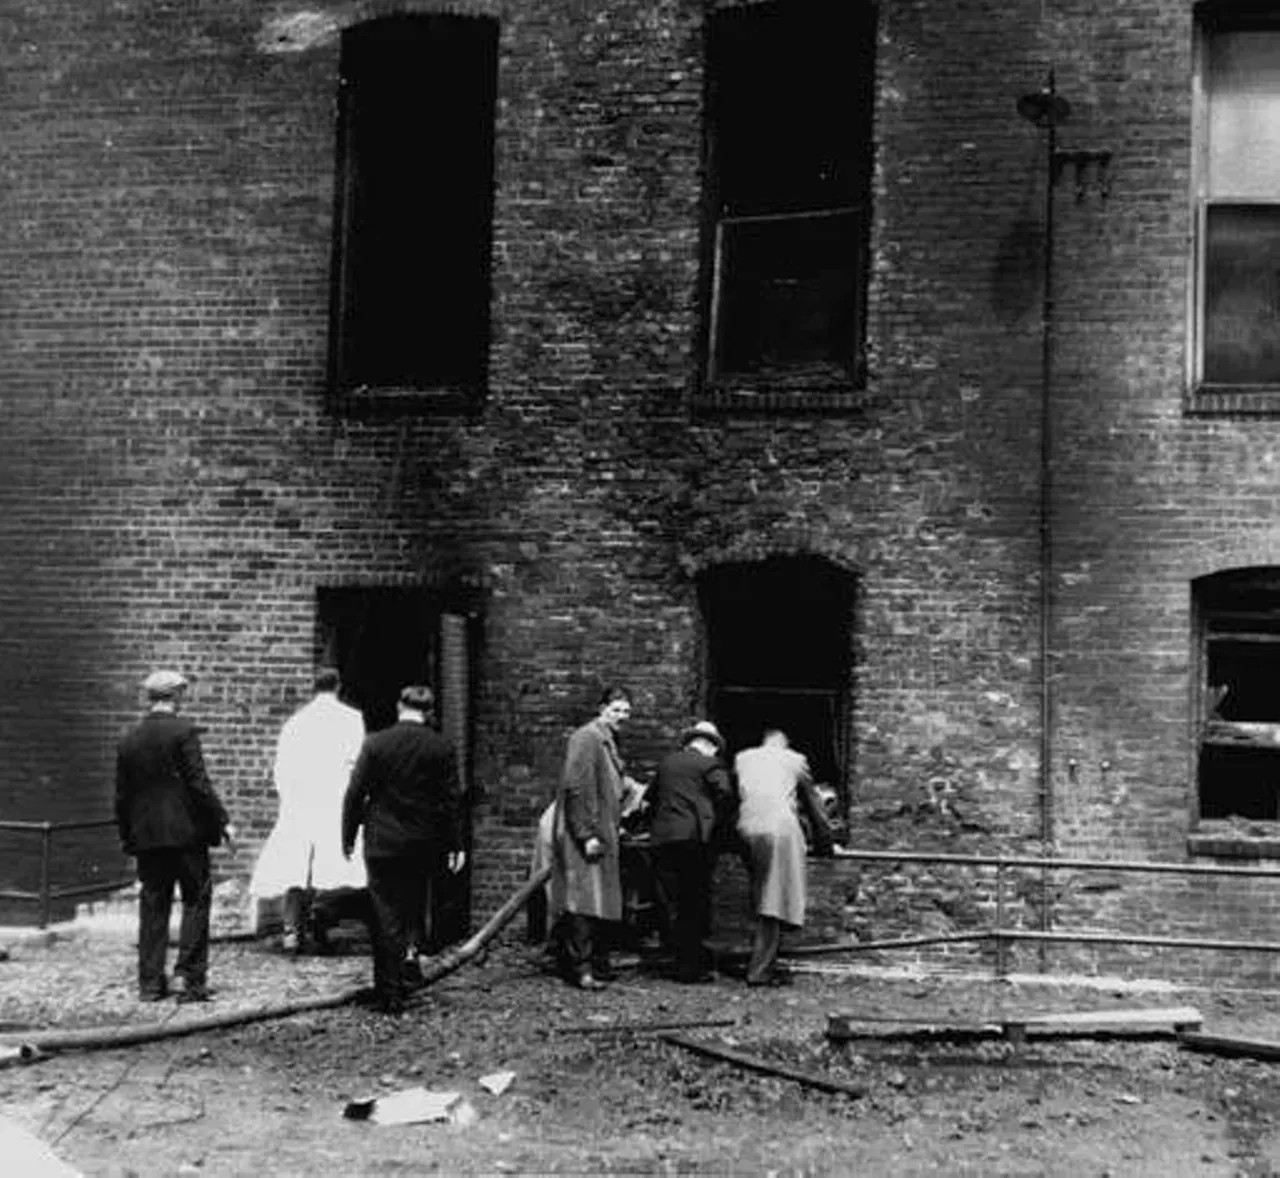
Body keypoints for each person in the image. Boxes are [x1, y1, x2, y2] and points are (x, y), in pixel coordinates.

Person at [341, 684, 466, 1014]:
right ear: (428, 711)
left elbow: (355, 794)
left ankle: (389, 990)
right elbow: (452, 799)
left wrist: (348, 836)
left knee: (385, 914)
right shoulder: (441, 747)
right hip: (423, 842)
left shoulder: (376, 743)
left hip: (382, 841)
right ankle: (410, 962)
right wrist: (456, 843)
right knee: (413, 904)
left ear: (400, 706)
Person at [114, 669, 234, 1003]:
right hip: (186, 836)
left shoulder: (129, 739)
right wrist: (222, 821)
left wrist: (128, 836)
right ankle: (188, 978)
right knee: (196, 900)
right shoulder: (184, 732)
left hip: (147, 838)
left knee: (153, 906)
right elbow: (199, 784)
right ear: (177, 695)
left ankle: (150, 984)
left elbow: (122, 797)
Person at [249, 668, 367, 953]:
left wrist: (290, 798)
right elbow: (357, 767)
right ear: (338, 687)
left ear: (313, 688)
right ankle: (320, 921)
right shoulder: (351, 720)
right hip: (334, 803)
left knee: (297, 866)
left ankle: (293, 929)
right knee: (334, 866)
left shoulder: (295, 723)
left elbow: (282, 769)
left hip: (301, 804)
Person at [733, 727, 833, 988]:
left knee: (761, 894)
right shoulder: (794, 760)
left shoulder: (743, 758)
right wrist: (825, 843)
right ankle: (759, 971)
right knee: (773, 900)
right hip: (778, 829)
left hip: (746, 828)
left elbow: (735, 796)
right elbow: (814, 804)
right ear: (784, 744)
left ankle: (753, 957)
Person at [550, 686, 633, 990]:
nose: (622, 716)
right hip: (585, 831)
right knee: (583, 898)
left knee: (600, 899)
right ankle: (580, 969)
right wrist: (586, 834)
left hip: (604, 828)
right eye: (616, 710)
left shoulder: (608, 741)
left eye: (626, 711)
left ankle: (596, 964)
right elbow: (577, 787)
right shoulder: (587, 738)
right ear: (601, 709)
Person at [648, 720, 733, 982]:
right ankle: (690, 968)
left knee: (671, 901)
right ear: (709, 745)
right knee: (693, 903)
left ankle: (673, 958)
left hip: (662, 840)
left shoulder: (666, 764)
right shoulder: (710, 765)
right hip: (692, 838)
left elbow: (650, 798)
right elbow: (726, 794)